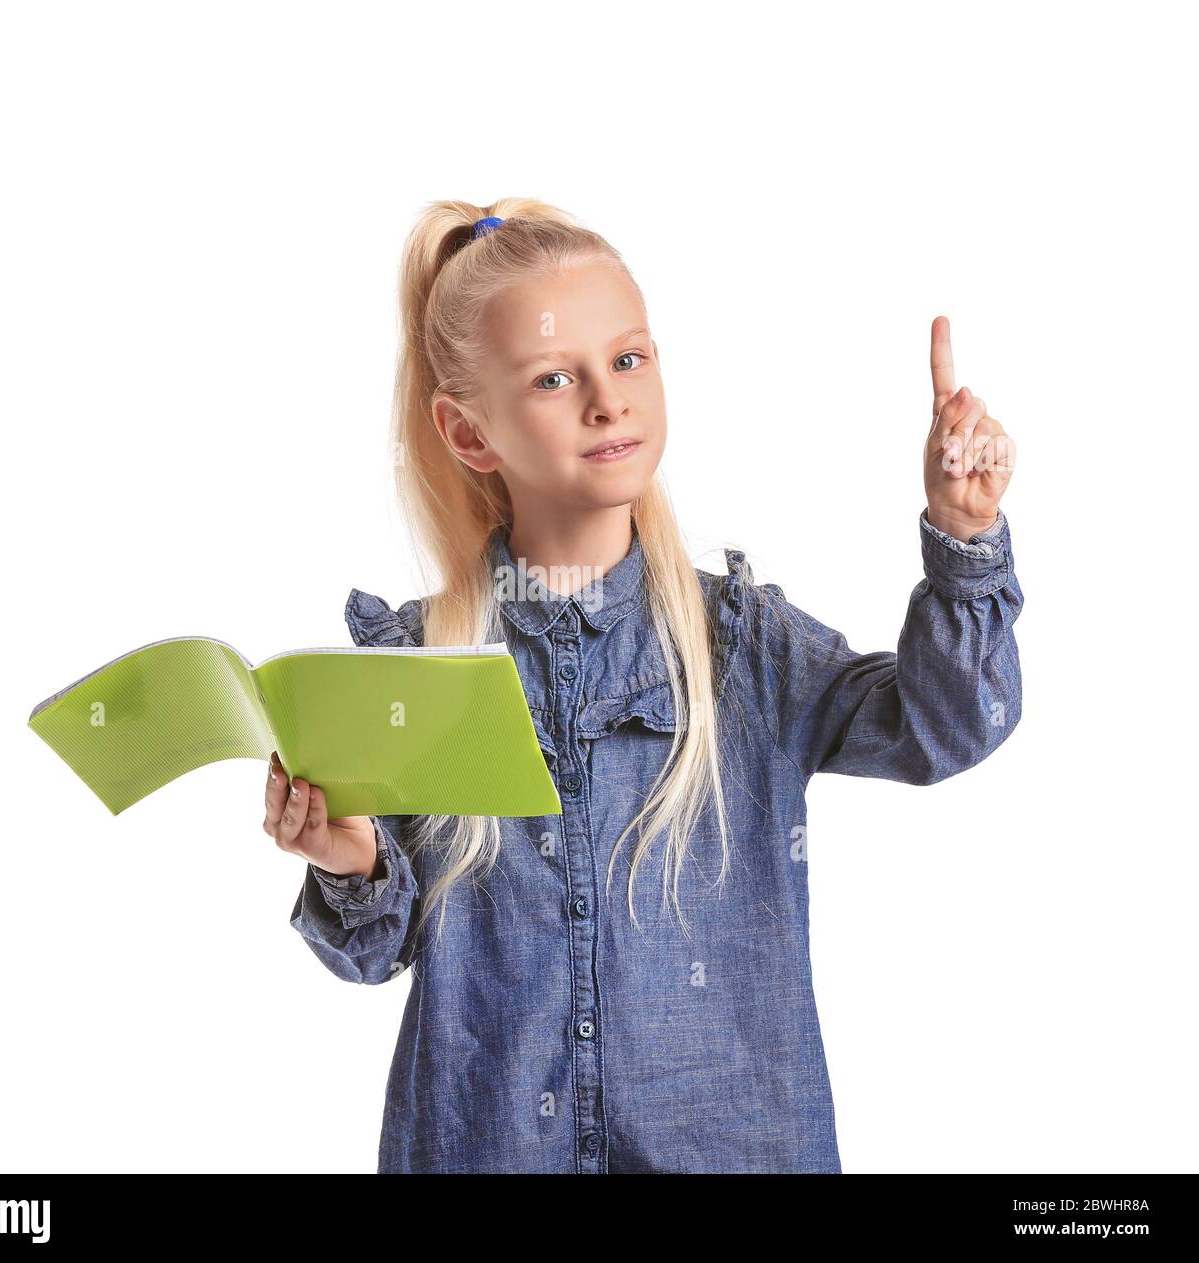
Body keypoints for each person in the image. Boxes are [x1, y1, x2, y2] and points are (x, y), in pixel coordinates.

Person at [267, 198, 1022, 1174]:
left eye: (627, 360)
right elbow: (367, 953)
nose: (606, 401)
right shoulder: (416, 667)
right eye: (552, 378)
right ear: (467, 433)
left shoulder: (745, 646)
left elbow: (941, 728)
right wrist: (347, 858)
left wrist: (963, 541)